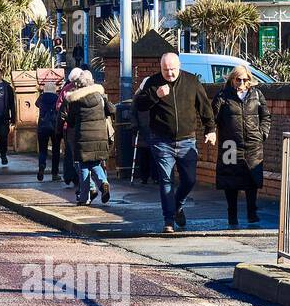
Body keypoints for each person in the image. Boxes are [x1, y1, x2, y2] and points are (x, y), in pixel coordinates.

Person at [134, 50, 217, 234]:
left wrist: (210, 129)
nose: (169, 73)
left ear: (179, 67)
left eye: (172, 69)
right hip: (161, 140)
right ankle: (168, 220)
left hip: (187, 139)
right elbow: (139, 104)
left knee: (189, 180)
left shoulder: (191, 81)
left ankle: (178, 204)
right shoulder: (153, 82)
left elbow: (204, 106)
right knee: (166, 180)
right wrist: (156, 95)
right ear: (160, 68)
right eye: (165, 70)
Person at [214, 68, 272, 228]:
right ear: (232, 80)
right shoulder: (223, 96)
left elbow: (265, 116)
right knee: (229, 179)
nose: (242, 83)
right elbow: (213, 118)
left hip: (253, 144)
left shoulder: (257, 95)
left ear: (249, 80)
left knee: (251, 179)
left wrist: (263, 134)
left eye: (245, 80)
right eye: (238, 80)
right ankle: (232, 215)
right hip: (230, 145)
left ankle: (252, 213)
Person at [64, 69, 116, 205]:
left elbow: (70, 121)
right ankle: (103, 182)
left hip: (83, 137)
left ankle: (84, 198)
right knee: (95, 163)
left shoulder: (75, 100)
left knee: (83, 166)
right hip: (100, 135)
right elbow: (111, 110)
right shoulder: (99, 97)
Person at [56, 68, 83, 189]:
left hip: (69, 126)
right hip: (80, 126)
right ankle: (79, 177)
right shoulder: (86, 89)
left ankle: (69, 176)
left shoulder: (66, 89)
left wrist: (59, 128)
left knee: (70, 152)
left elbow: (59, 107)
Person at [34, 73, 62, 183]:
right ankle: (55, 173)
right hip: (55, 126)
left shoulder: (41, 98)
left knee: (42, 149)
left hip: (42, 126)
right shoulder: (57, 98)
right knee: (56, 150)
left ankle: (42, 166)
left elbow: (36, 104)